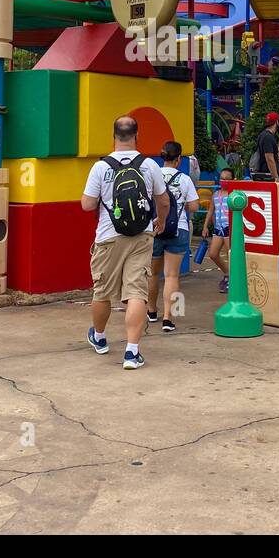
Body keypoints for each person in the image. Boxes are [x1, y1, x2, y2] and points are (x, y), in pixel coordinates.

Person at [81, 116, 169, 370]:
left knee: (102, 290)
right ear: (136, 136)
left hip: (108, 237)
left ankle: (99, 337)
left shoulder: (100, 167)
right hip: (141, 236)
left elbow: (87, 204)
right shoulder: (149, 165)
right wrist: (159, 222)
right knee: (136, 292)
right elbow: (163, 201)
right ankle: (132, 353)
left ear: (114, 136)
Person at [147, 141, 200, 332]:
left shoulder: (152, 176)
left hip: (154, 229)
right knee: (171, 275)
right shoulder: (185, 179)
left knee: (153, 273)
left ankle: (152, 311)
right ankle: (169, 318)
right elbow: (194, 206)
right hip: (179, 229)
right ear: (178, 159)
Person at [202, 167, 234, 294]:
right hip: (218, 229)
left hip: (229, 229)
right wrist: (205, 226)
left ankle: (233, 280)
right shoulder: (216, 195)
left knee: (230, 255)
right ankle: (227, 273)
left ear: (233, 180)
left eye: (227, 179)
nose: (224, 181)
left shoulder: (234, 195)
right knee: (213, 254)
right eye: (222, 178)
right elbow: (211, 211)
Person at [249, 112, 279, 181]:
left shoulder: (262, 135)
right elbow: (269, 159)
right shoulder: (268, 137)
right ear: (277, 122)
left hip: (263, 175)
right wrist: (275, 177)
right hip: (267, 176)